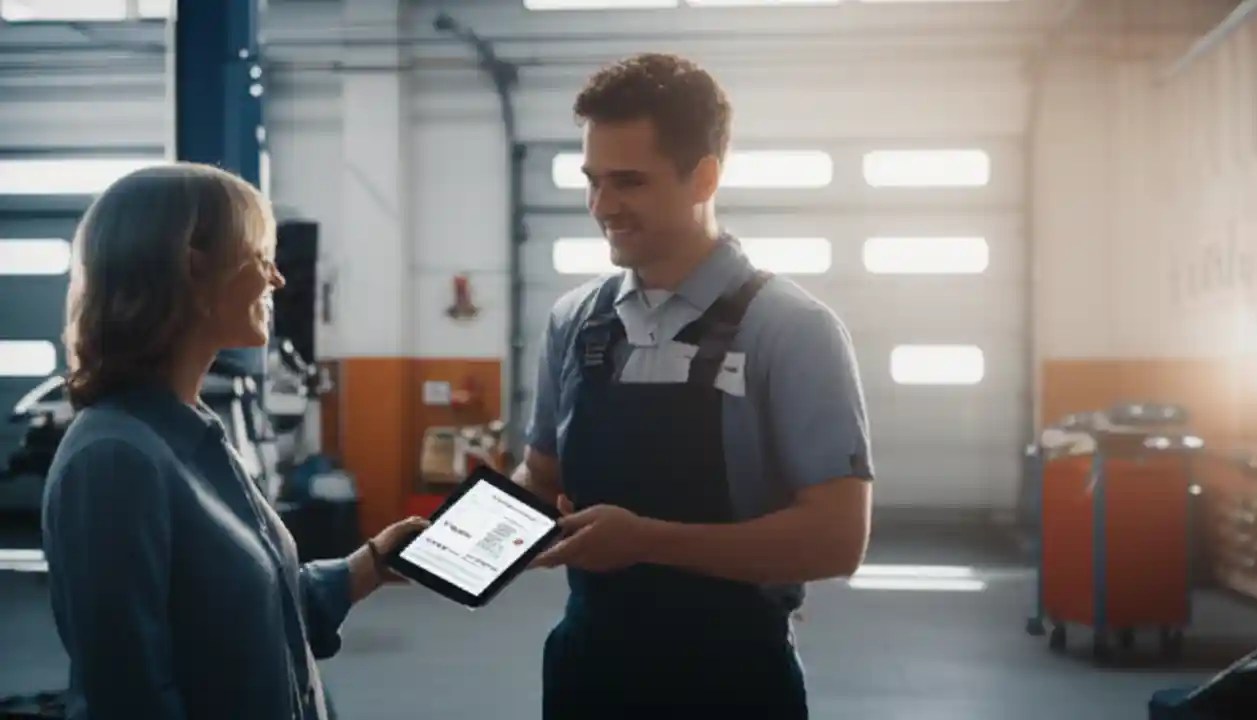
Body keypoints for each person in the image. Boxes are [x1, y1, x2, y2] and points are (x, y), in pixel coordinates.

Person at [519, 53, 875, 718]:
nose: (602, 207)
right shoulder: (574, 324)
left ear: (703, 177)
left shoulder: (791, 330)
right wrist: (447, 545)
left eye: (629, 182)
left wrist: (647, 540)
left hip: (729, 681)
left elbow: (836, 539)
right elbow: (541, 476)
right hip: (586, 673)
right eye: (592, 181)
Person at [41, 163, 427, 720]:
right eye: (260, 257)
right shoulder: (114, 459)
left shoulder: (190, 433)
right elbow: (129, 700)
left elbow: (256, 614)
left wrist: (365, 566)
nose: (277, 279)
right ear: (192, 270)